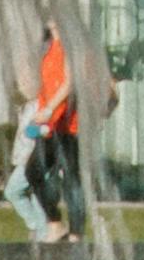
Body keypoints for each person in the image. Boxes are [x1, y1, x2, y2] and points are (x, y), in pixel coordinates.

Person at [5, 30, 88, 247]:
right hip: (49, 125)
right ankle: (54, 222)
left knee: (71, 179)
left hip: (68, 124)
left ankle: (76, 234)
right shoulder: (49, 48)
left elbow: (69, 83)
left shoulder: (69, 44)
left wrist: (50, 108)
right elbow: (46, 86)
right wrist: (40, 112)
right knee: (33, 171)